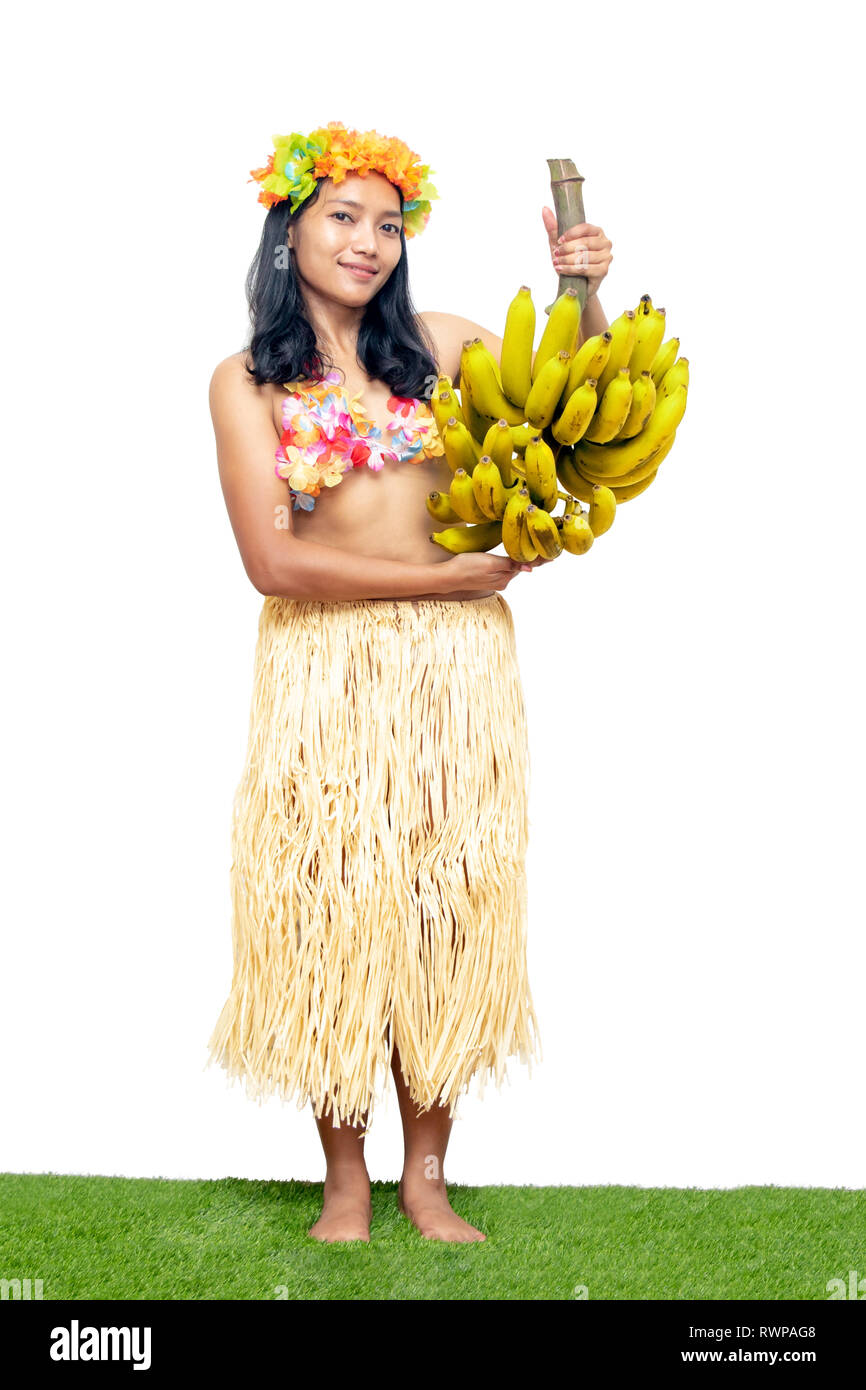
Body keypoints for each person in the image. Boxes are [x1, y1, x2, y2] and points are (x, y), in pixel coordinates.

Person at [205, 122, 612, 1244]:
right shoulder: (248, 382)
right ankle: (346, 1182)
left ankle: (425, 1177)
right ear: (289, 228)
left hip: (452, 684)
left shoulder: (437, 345)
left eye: (387, 223)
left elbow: (582, 391)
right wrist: (450, 581)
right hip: (322, 670)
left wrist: (576, 291)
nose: (367, 241)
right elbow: (271, 561)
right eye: (342, 216)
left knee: (442, 915)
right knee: (330, 914)